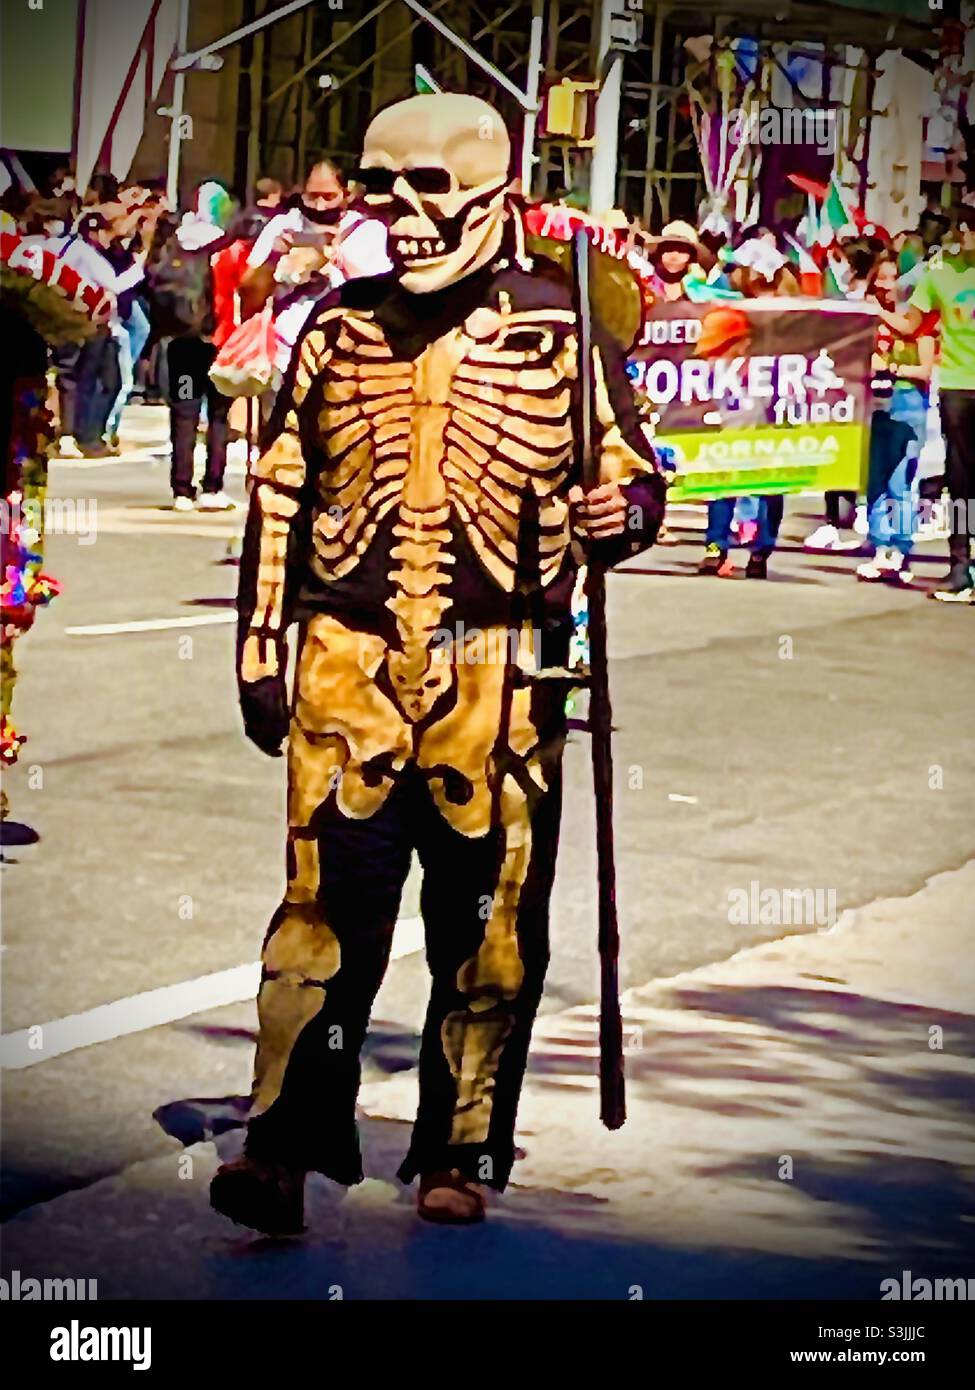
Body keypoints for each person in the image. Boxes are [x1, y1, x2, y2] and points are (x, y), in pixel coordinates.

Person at [208, 93, 665, 1236]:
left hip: (501, 676)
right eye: (383, 186)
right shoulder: (334, 325)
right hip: (347, 665)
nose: (404, 213)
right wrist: (261, 646)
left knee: (491, 924)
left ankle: (461, 1144)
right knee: (319, 915)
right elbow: (279, 487)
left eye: (431, 187)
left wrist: (625, 510)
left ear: (496, 196)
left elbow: (637, 473)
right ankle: (282, 1144)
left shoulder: (564, 329)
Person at [881, 210, 975, 602]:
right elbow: (910, 323)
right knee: (961, 482)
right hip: (958, 387)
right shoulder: (940, 272)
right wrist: (868, 313)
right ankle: (959, 566)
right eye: (964, 225)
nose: (967, 232)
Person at [698, 240, 795, 579]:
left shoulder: (794, 310)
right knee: (724, 472)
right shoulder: (726, 307)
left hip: (775, 400)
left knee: (768, 476)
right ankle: (719, 547)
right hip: (737, 397)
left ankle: (758, 551)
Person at [146, 180, 238, 511]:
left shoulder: (176, 241)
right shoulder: (226, 246)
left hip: (182, 345)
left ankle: (181, 489)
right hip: (217, 342)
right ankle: (212, 486)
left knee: (184, 413)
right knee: (218, 414)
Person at [856, 254, 935, 585]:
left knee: (900, 483)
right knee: (874, 481)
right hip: (873, 402)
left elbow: (926, 370)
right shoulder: (867, 319)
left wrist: (893, 368)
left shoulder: (922, 321)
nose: (884, 285)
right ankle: (880, 548)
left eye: (891, 278)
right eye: (880, 277)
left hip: (908, 402)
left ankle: (902, 551)